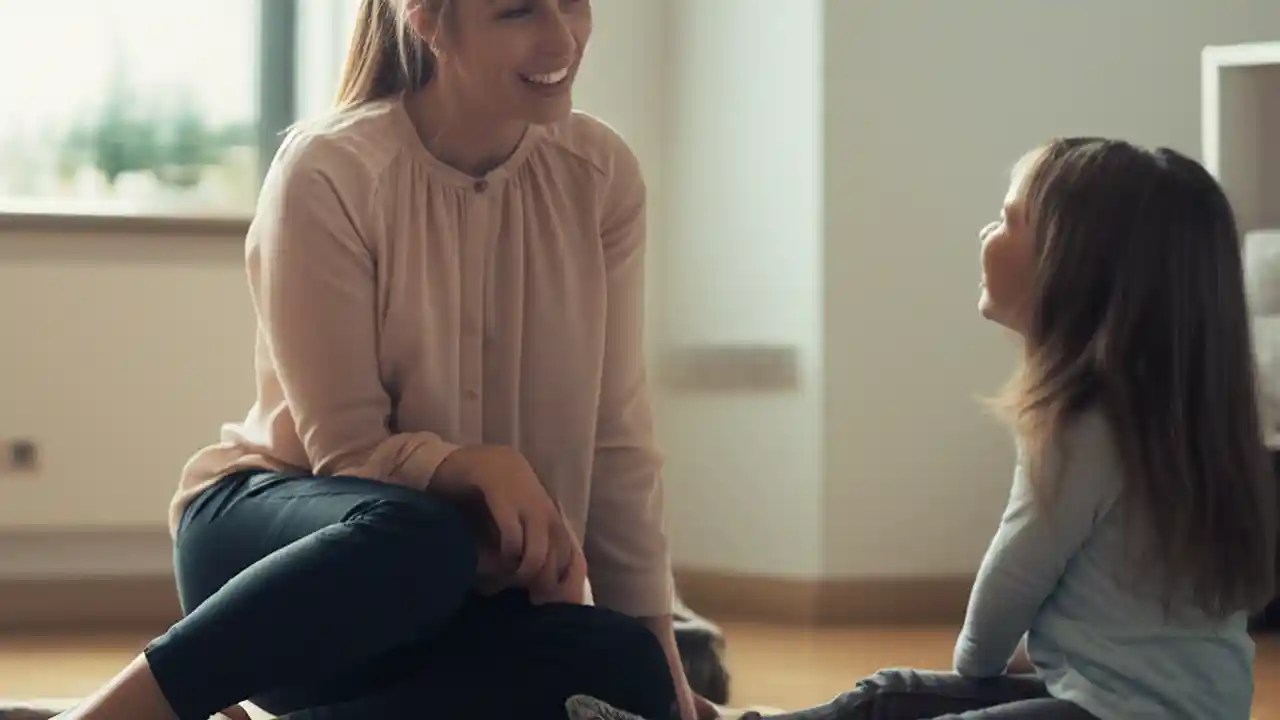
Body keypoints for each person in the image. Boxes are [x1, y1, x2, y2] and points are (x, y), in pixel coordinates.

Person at [56, 1, 715, 719]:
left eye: (574, 2)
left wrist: (665, 672)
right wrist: (470, 467)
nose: (562, 38)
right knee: (424, 540)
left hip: (456, 601)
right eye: (518, 11)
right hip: (288, 565)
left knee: (627, 670)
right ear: (427, 19)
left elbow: (616, 439)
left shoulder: (602, 176)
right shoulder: (329, 170)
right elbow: (345, 449)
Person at [745, 139, 1279, 719]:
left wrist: (975, 666)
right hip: (1155, 703)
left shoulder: (1083, 423)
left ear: (1072, 266)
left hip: (1112, 711)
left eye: (1007, 219)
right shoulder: (1180, 423)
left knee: (903, 701)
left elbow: (1016, 574)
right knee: (888, 694)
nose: (986, 233)